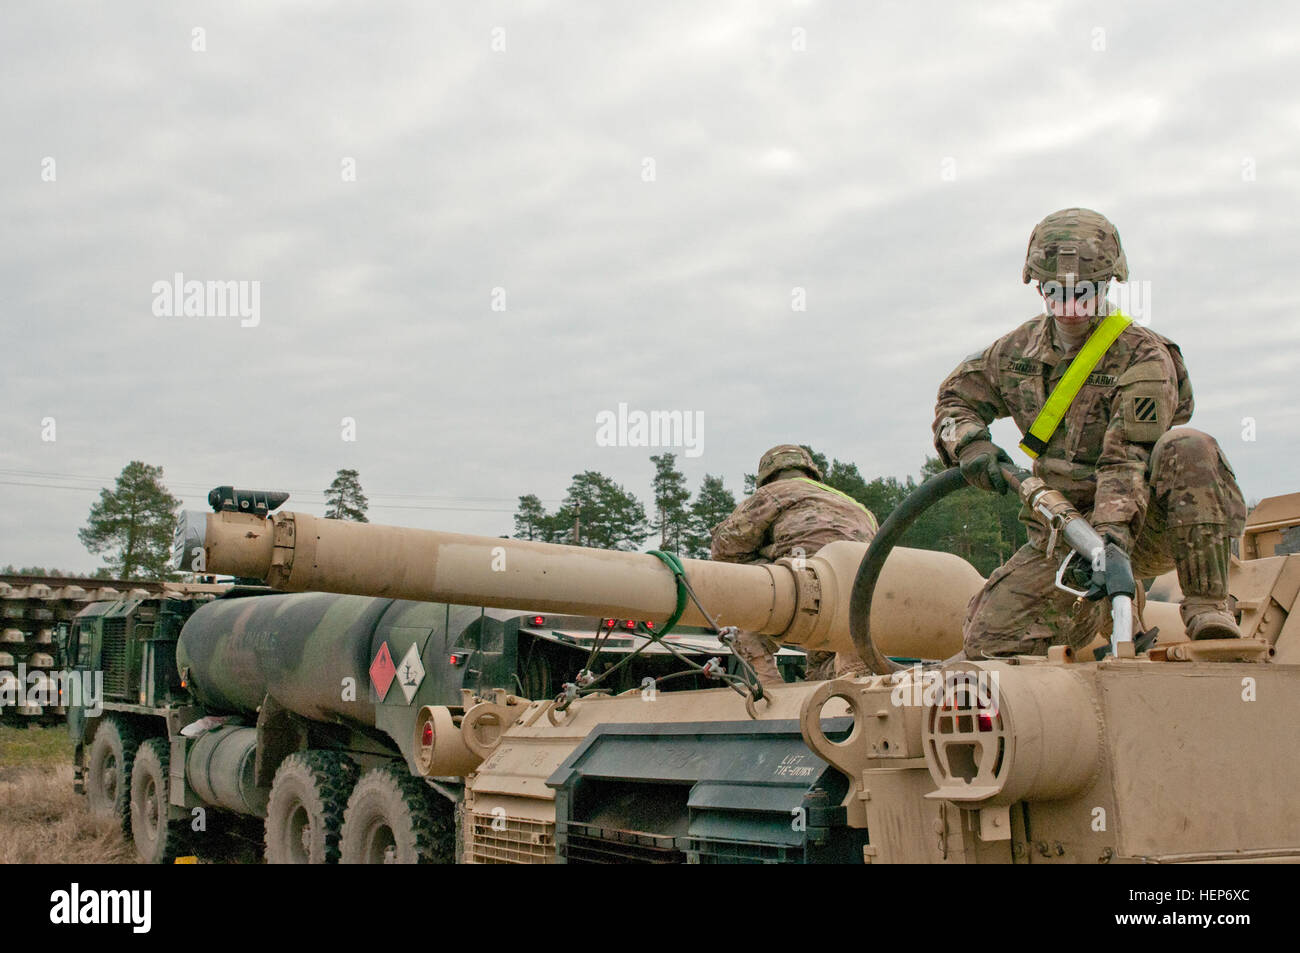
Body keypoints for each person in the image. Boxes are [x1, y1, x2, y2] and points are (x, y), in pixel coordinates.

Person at [933, 207, 1247, 658]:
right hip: (1061, 528)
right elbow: (954, 399)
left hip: (1147, 525)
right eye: (1055, 291)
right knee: (988, 643)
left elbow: (1127, 460)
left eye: (1083, 290)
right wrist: (969, 442)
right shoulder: (1015, 352)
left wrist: (1111, 547)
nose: (1070, 305)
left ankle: (1208, 608)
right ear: (1038, 287)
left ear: (1106, 285)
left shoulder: (1142, 356)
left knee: (1188, 447)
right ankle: (1099, 620)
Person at [710, 444, 878, 683]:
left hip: (807, 586)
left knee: (739, 585)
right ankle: (848, 663)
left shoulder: (774, 493)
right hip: (862, 598)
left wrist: (769, 552)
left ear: (768, 477)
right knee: (823, 666)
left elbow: (723, 548)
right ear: (811, 473)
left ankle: (767, 678)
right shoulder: (856, 505)